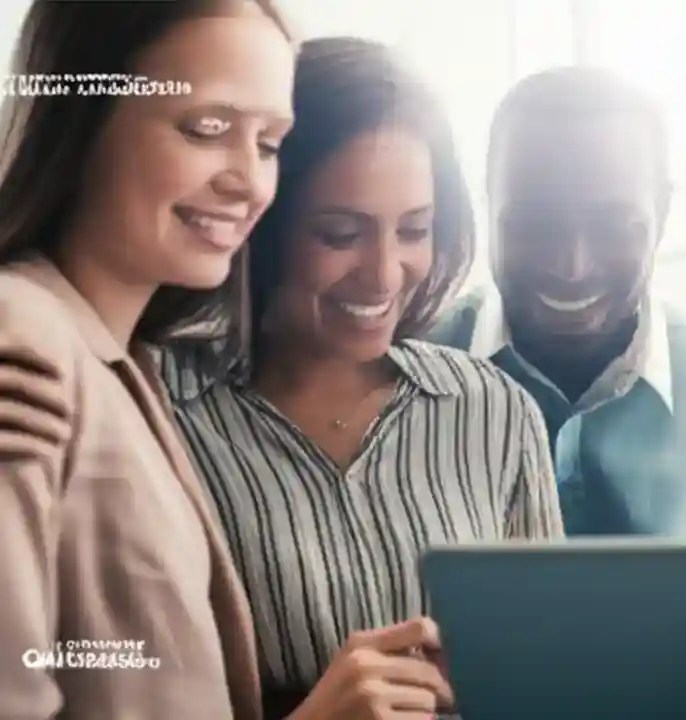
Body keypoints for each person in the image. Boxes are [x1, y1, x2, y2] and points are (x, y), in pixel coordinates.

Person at [157, 37, 563, 719]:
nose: (384, 274)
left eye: (414, 229)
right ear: (262, 225)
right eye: (340, 234)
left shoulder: (493, 411)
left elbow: (553, 678)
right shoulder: (154, 413)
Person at [0, 1, 294, 717]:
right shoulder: (25, 335)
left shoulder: (118, 360)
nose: (248, 182)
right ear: (79, 115)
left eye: (269, 143)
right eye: (207, 129)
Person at [428, 67, 686, 536]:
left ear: (662, 212)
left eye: (613, 225)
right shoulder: (408, 368)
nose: (572, 267)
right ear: (488, 203)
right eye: (534, 223)